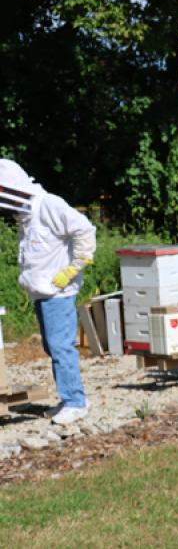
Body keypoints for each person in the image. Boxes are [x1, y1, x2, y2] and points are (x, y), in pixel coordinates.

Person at [0, 159, 96, 424]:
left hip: (58, 292)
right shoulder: (26, 214)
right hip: (42, 291)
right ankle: (69, 400)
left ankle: (76, 402)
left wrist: (74, 268)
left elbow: (85, 228)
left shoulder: (49, 205)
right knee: (52, 346)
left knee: (61, 347)